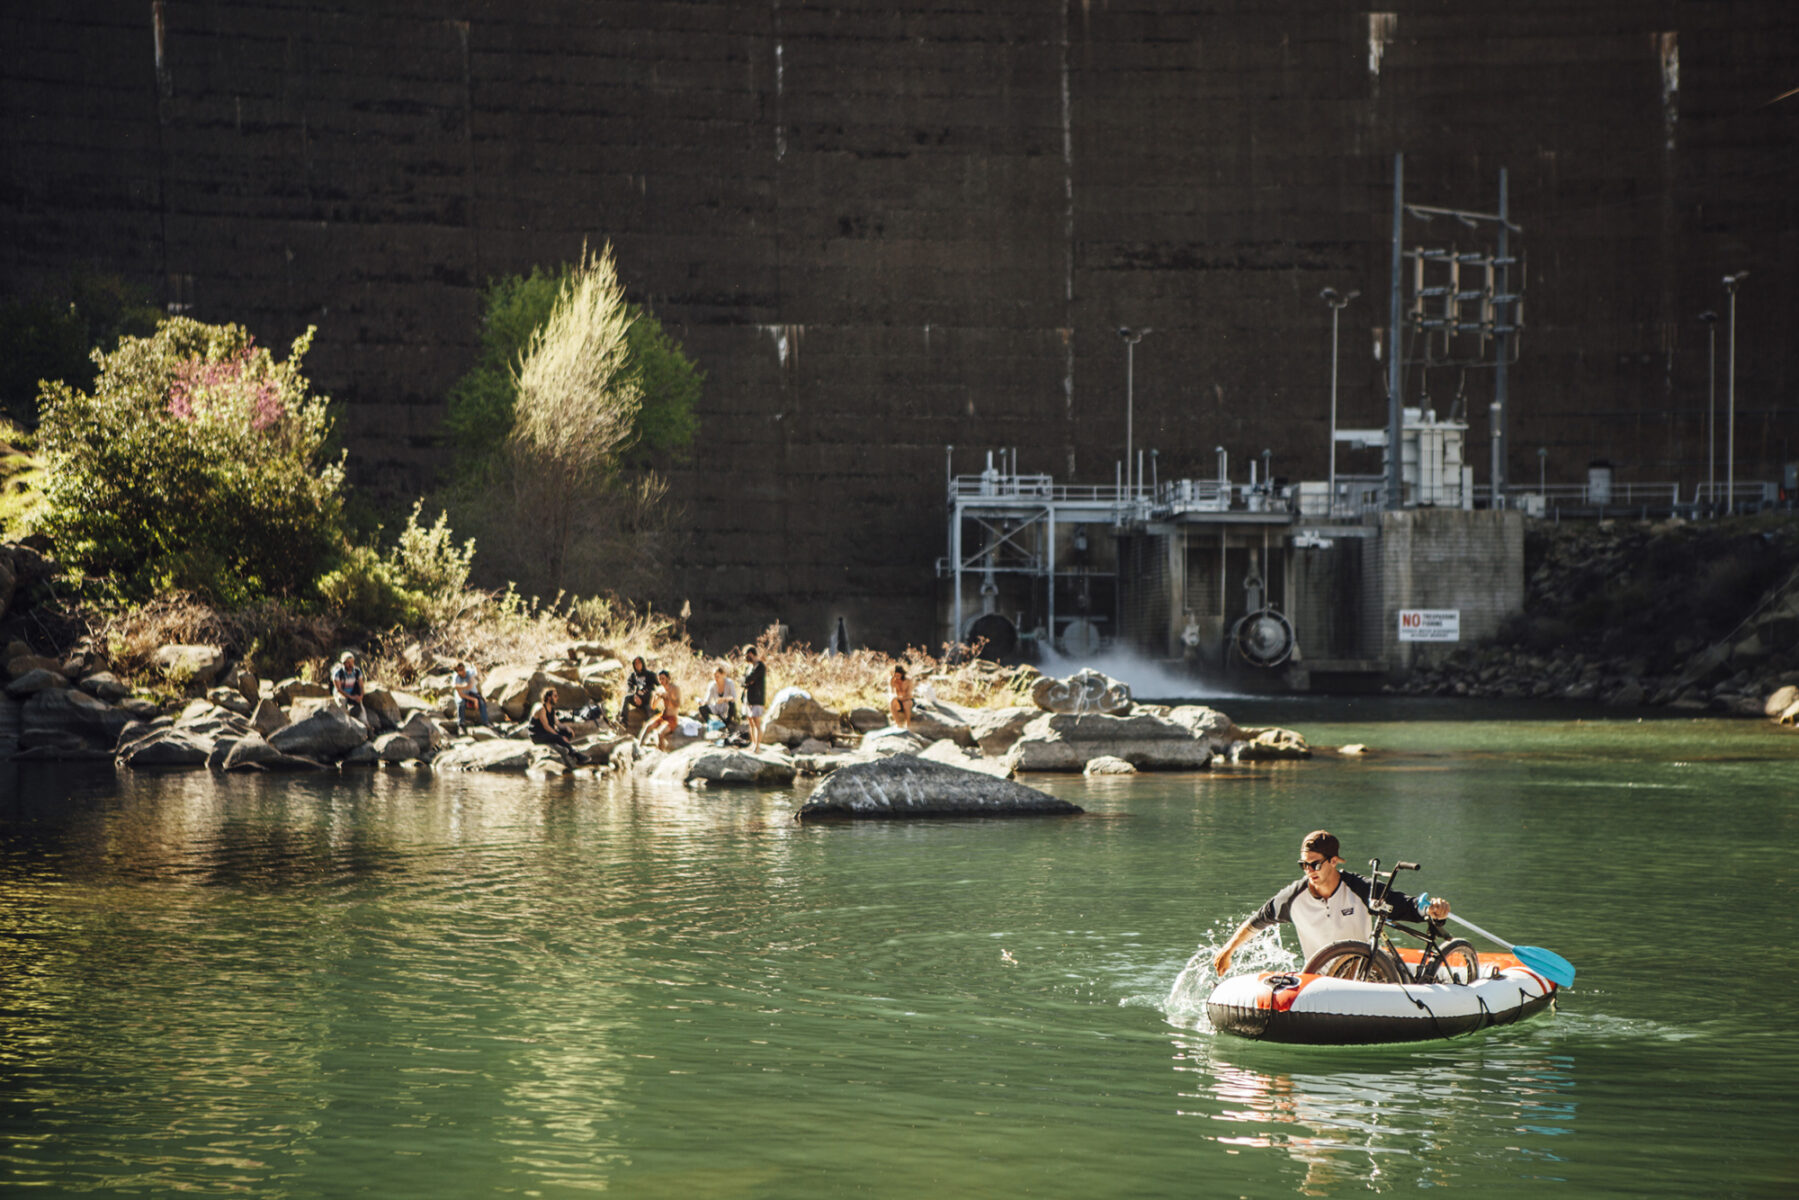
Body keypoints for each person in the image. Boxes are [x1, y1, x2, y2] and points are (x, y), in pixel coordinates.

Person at [1211, 830, 1451, 977]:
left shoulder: (1359, 889)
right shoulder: (1293, 898)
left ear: (1334, 861)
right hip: (1319, 981)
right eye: (1303, 865)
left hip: (1363, 976)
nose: (1309, 871)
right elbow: (1257, 921)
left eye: (1314, 864)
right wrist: (1228, 950)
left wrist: (1432, 910)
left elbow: (1404, 905)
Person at [529, 688, 585, 762]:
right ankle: (575, 755)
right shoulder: (541, 709)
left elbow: (558, 723)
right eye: (555, 696)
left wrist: (567, 728)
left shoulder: (552, 709)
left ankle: (565, 747)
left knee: (568, 733)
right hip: (538, 736)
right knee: (559, 738)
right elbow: (546, 726)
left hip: (546, 733)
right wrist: (560, 737)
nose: (557, 698)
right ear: (549, 697)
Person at [642, 670, 681, 750]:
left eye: (663, 679)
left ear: (668, 679)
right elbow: (653, 706)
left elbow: (677, 704)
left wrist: (667, 697)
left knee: (660, 733)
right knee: (647, 726)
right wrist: (656, 697)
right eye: (659, 679)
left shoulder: (674, 688)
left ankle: (661, 752)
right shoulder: (660, 689)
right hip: (663, 715)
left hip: (672, 717)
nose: (661, 681)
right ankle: (639, 746)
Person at [740, 646, 767, 753]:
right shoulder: (748, 667)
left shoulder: (760, 666)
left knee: (757, 723)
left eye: (746, 655)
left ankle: (758, 746)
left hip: (757, 698)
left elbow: (749, 678)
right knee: (750, 722)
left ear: (751, 653)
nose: (745, 658)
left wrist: (747, 680)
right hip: (748, 697)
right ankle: (753, 743)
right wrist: (746, 681)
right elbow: (743, 680)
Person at [618, 656, 655, 731]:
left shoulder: (650, 675)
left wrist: (645, 694)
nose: (637, 665)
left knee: (650, 713)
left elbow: (655, 687)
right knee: (626, 698)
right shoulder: (633, 676)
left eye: (639, 663)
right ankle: (623, 721)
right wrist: (635, 696)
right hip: (637, 699)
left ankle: (652, 729)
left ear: (643, 664)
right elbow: (629, 688)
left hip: (647, 700)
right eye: (636, 664)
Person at [331, 651, 367, 724]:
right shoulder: (338, 673)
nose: (350, 665)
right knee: (342, 705)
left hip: (352, 692)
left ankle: (366, 725)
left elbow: (361, 686)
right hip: (341, 694)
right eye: (348, 663)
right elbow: (339, 689)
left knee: (361, 708)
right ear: (343, 663)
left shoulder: (357, 671)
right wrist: (351, 697)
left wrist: (361, 696)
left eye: (351, 662)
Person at [453, 660, 488, 734]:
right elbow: (460, 694)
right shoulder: (456, 677)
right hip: (463, 696)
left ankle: (486, 722)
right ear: (457, 671)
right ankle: (461, 725)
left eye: (463, 669)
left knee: (481, 702)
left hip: (472, 693)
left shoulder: (470, 672)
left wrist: (460, 687)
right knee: (461, 703)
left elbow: (470, 685)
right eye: (460, 670)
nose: (462, 671)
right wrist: (474, 700)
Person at [702, 663, 737, 728]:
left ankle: (728, 723)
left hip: (726, 707)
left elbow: (734, 697)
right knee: (702, 708)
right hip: (716, 707)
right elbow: (707, 699)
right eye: (714, 676)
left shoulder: (729, 683)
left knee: (732, 703)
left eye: (717, 676)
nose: (716, 679)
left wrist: (724, 699)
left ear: (723, 675)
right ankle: (710, 724)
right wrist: (703, 702)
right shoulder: (712, 684)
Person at [887, 664, 913, 730]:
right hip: (898, 699)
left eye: (898, 675)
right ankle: (898, 724)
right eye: (895, 675)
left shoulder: (908, 681)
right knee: (892, 702)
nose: (897, 677)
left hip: (907, 699)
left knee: (906, 704)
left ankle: (908, 725)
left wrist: (903, 698)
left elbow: (910, 695)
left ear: (902, 674)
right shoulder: (892, 680)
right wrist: (893, 683)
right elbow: (891, 693)